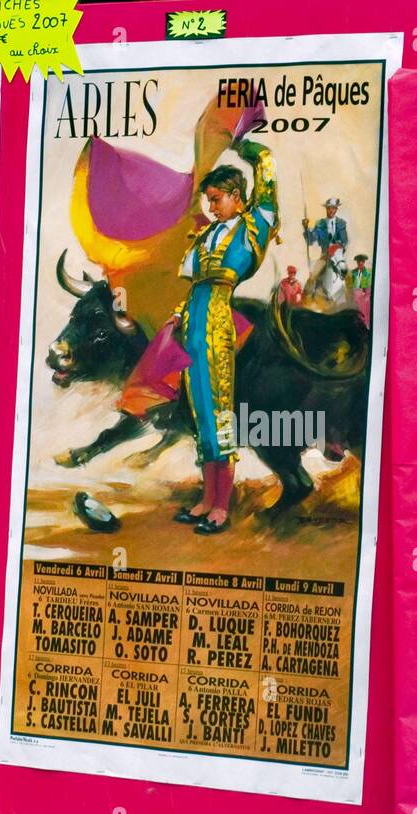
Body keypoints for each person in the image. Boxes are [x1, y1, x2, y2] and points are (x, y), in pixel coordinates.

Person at [172, 138, 278, 534]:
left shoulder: (253, 226)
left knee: (218, 409)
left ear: (237, 196)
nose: (212, 208)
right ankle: (205, 499)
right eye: (209, 201)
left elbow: (266, 168)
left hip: (217, 316)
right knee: (200, 410)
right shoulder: (206, 236)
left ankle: (221, 506)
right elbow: (192, 283)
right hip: (194, 316)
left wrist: (243, 143)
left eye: (217, 199)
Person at [348, 253, 371, 326]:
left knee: (365, 303)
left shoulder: (367, 273)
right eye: (358, 262)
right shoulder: (353, 272)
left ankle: (365, 322)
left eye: (362, 262)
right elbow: (350, 285)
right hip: (355, 294)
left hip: (364, 295)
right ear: (357, 263)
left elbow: (367, 287)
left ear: (364, 262)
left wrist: (363, 292)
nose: (360, 263)